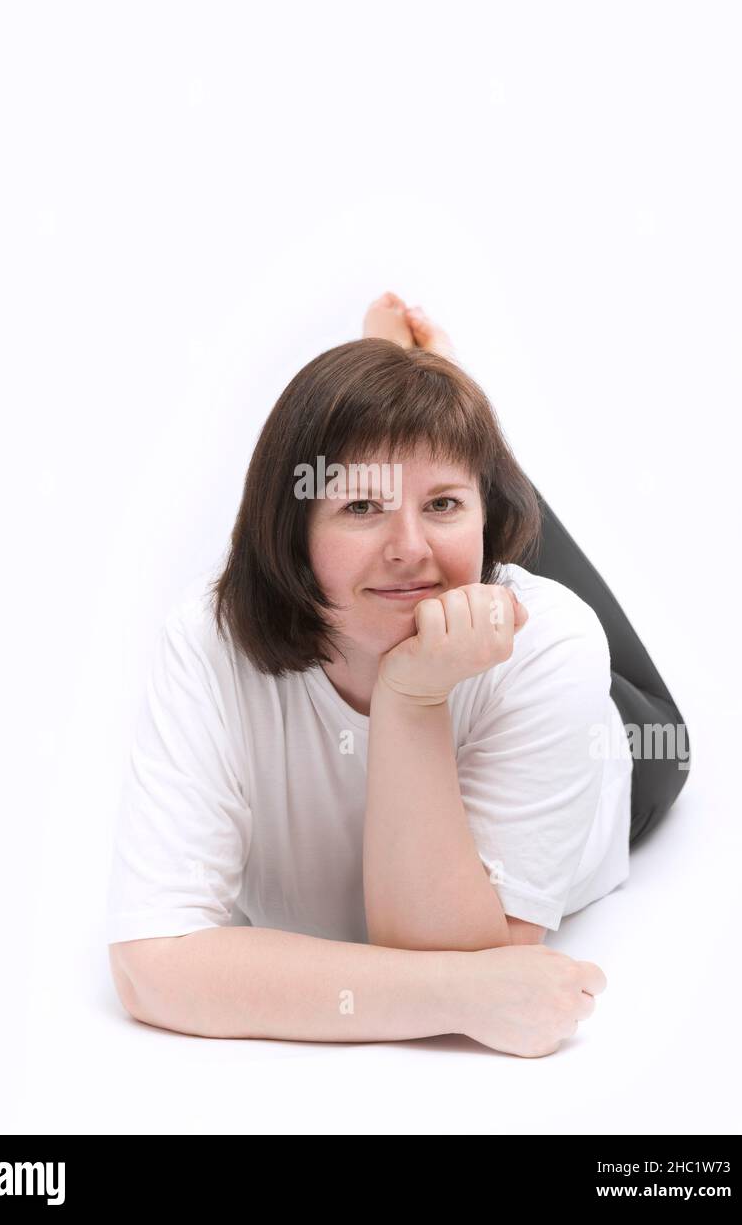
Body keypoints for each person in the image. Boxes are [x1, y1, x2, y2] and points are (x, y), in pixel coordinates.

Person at [105, 293, 688, 1058]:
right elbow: (152, 969)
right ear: (293, 532)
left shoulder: (548, 640)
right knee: (449, 525)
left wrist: (412, 697)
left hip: (616, 744)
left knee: (646, 722)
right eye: (358, 508)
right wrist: (456, 995)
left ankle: (436, 413)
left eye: (440, 504)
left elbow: (469, 951)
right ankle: (433, 420)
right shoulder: (205, 640)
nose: (407, 546)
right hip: (411, 586)